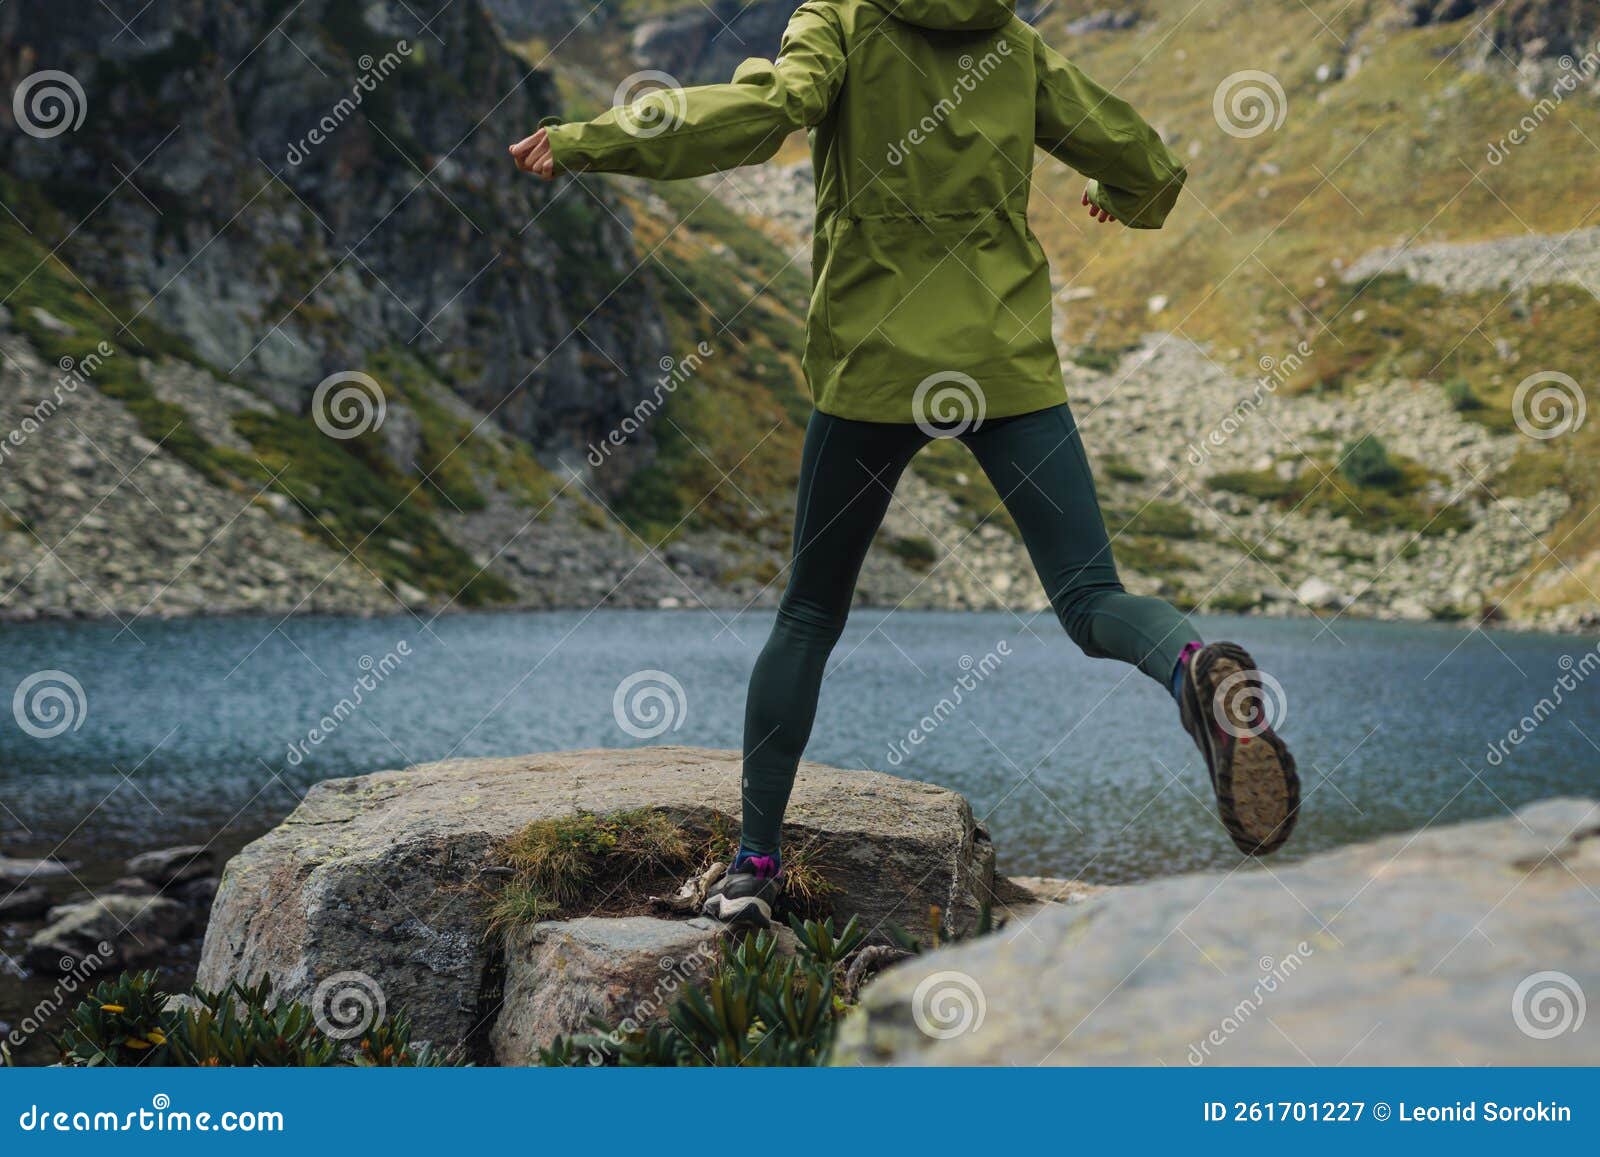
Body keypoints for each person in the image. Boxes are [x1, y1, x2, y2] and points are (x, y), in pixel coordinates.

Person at [512, 0, 1299, 928]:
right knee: (1090, 601)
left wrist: (592, 139)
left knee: (809, 611)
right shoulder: (1013, 41)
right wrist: (1128, 200)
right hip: (1003, 363)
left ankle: (755, 862)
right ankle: (1194, 667)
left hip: (875, 365)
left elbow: (757, 112)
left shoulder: (841, 18)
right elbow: (1144, 160)